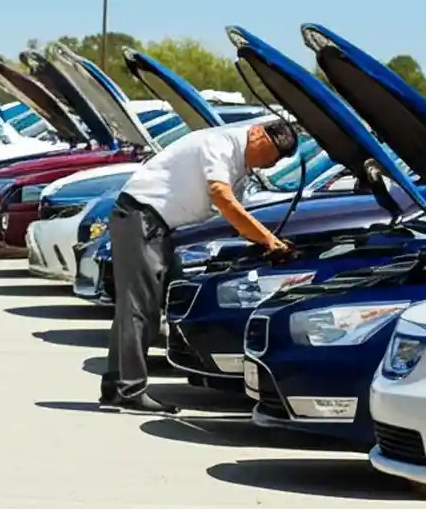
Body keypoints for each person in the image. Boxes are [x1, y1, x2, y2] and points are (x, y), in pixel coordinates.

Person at [99, 120, 299, 413]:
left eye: (278, 160)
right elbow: (221, 197)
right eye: (272, 154)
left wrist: (265, 240)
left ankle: (116, 386)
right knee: (140, 308)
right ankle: (128, 389)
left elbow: (234, 215)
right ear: (258, 133)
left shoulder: (240, 164)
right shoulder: (220, 144)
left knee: (154, 303)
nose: (271, 163)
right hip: (140, 218)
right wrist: (268, 240)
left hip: (156, 226)